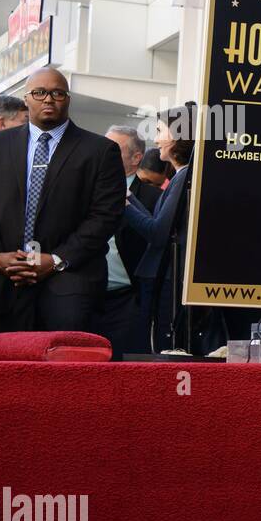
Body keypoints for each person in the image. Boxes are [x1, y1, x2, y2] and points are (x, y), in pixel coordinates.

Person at [0, 69, 124, 333]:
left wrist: (57, 259)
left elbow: (106, 216)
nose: (48, 99)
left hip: (68, 284)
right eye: (39, 93)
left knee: (64, 371)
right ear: (26, 99)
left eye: (57, 93)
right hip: (1, 283)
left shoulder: (100, 150)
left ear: (68, 99)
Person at [124, 111, 193, 352]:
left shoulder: (184, 176)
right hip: (162, 275)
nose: (156, 140)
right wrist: (129, 198)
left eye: (159, 132)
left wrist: (124, 206)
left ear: (176, 137)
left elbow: (157, 232)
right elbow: (159, 221)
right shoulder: (182, 176)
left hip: (165, 278)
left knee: (156, 347)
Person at [93, 124, 160, 358]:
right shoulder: (86, 190)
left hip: (129, 301)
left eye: (113, 149)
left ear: (136, 158)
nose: (103, 152)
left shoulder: (153, 199)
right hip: (86, 297)